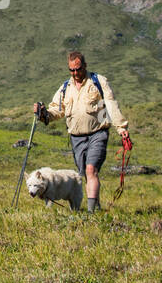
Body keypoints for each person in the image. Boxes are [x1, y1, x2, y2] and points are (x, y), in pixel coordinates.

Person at [33, 51, 130, 212]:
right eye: (72, 70)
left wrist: (122, 128)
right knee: (85, 173)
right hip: (76, 138)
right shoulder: (66, 87)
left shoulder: (98, 81)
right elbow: (56, 111)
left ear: (85, 66)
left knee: (91, 169)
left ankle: (91, 213)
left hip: (98, 133)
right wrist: (43, 114)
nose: (75, 73)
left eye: (78, 69)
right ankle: (96, 205)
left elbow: (112, 105)